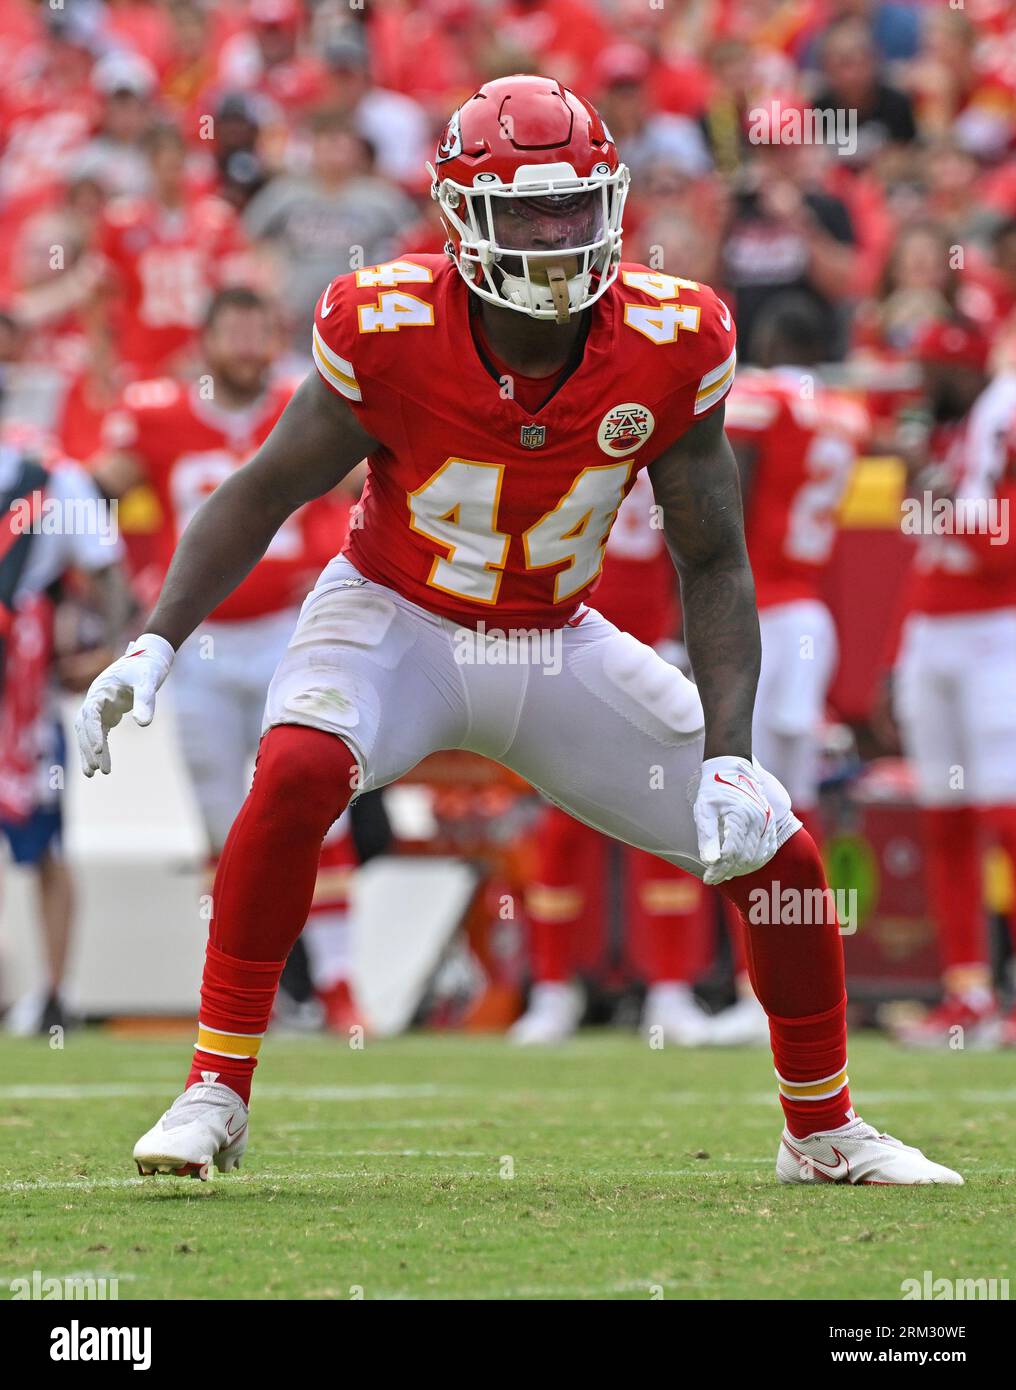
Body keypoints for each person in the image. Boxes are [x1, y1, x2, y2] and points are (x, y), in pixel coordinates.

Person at [76, 74, 960, 1185]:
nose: (555, 236)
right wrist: (156, 638)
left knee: (773, 846)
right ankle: (215, 1087)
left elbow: (712, 557)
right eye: (527, 212)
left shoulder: (672, 336)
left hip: (551, 639)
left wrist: (730, 761)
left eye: (574, 207)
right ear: (458, 215)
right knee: (296, 766)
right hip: (393, 613)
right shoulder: (385, 327)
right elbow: (261, 491)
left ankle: (821, 1129)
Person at [94, 285, 370, 1027]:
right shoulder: (157, 414)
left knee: (324, 808)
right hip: (202, 648)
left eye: (261, 330)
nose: (249, 346)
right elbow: (91, 492)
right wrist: (106, 586)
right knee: (228, 830)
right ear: (206, 340)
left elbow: (374, 482)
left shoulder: (303, 402)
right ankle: (255, 996)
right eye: (235, 331)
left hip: (293, 630)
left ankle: (341, 985)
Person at [712, 294, 865, 1045]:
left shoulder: (765, 399)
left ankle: (761, 992)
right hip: (808, 616)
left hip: (762, 616)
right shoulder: (845, 412)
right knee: (792, 812)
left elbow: (726, 492)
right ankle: (804, 988)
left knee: (760, 817)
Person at [891, 318, 1016, 1047]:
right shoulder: (957, 432)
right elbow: (931, 553)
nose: (918, 389)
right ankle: (965, 993)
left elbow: (1001, 547)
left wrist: (935, 505)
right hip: (934, 634)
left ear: (960, 372)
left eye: (930, 372)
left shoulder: (1000, 417)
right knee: (943, 818)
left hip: (995, 635)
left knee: (1005, 817)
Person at [0, 436, 127, 1034]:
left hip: (23, 691)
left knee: (44, 840)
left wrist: (115, 652)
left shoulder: (53, 477)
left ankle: (52, 991)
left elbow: (109, 571)